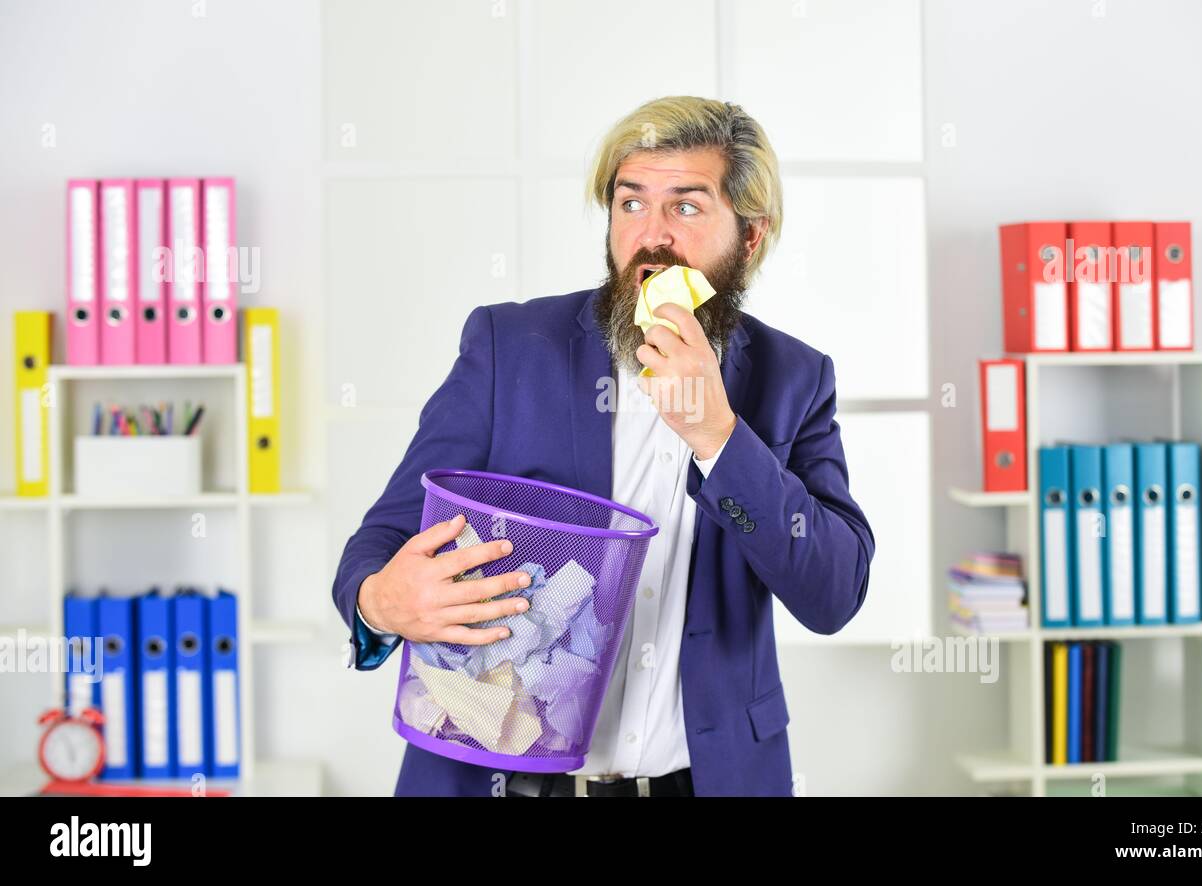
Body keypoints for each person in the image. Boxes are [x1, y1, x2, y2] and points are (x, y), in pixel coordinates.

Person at [331, 95, 875, 797]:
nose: (651, 235)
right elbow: (381, 541)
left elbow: (833, 593)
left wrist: (719, 436)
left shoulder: (793, 379)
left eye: (686, 207)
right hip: (502, 779)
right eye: (630, 203)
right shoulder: (510, 349)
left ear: (749, 237)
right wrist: (380, 603)